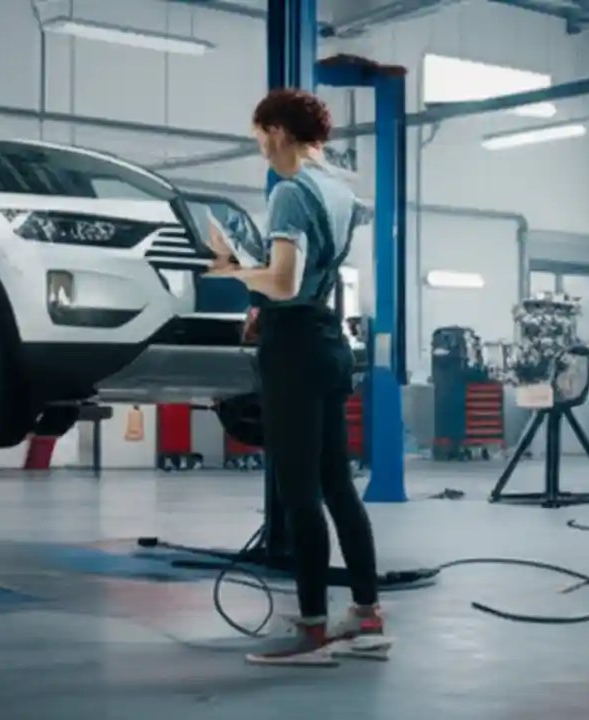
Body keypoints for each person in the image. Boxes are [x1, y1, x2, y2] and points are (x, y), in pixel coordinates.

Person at [207, 88, 386, 667]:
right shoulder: (338, 188)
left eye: (259, 134)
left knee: (299, 492)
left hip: (293, 349)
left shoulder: (288, 192)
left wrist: (235, 270)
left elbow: (282, 283)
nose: (258, 145)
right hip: (328, 342)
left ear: (277, 130)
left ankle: (312, 632)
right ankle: (366, 615)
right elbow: (308, 275)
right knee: (336, 485)